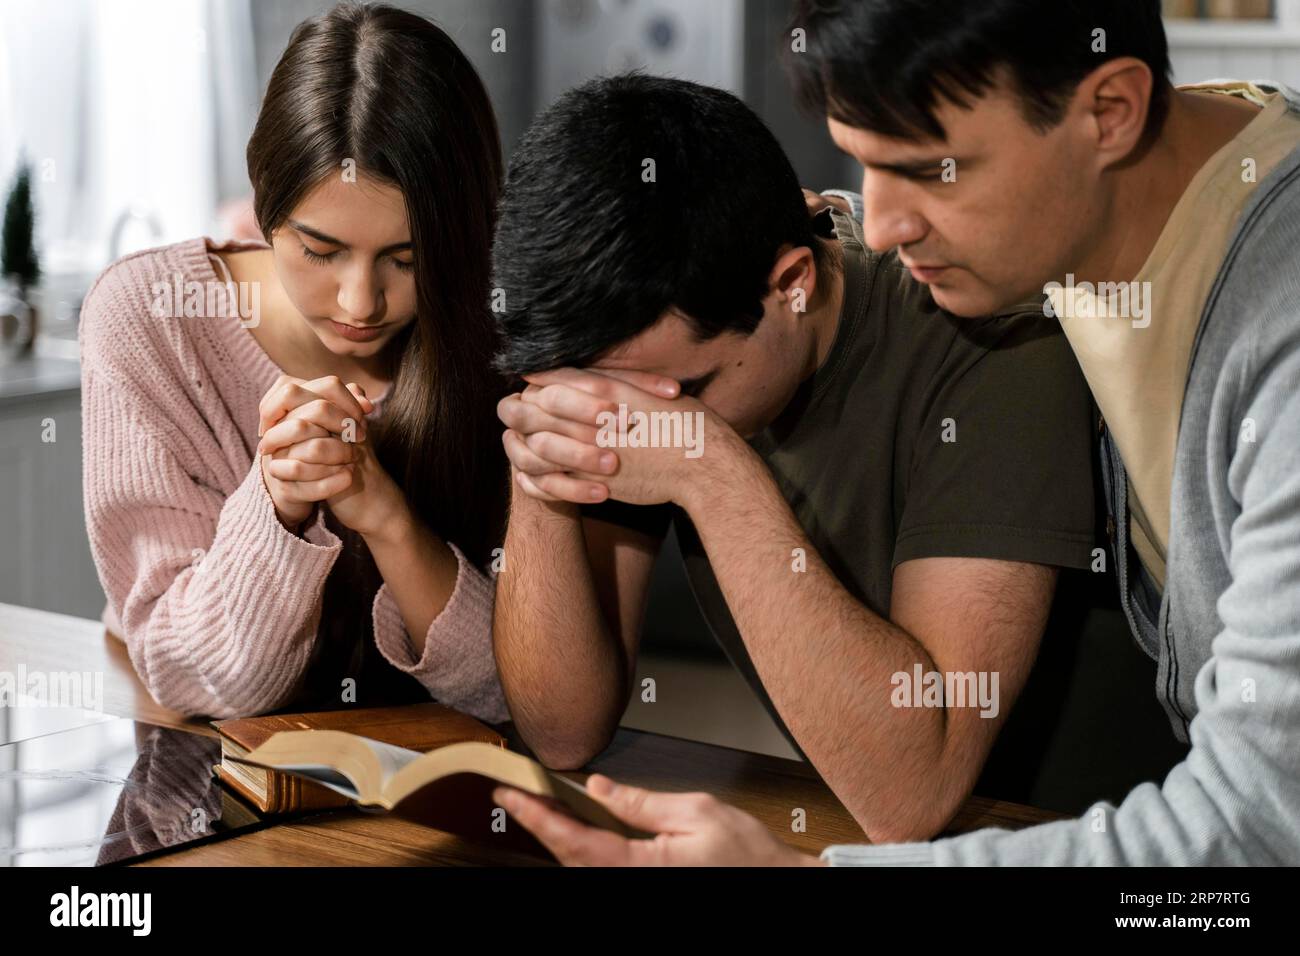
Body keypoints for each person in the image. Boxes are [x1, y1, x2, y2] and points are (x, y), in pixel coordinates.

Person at [497, 0, 1300, 865]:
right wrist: (551, 437)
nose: (877, 225)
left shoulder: (1258, 326)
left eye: (931, 171)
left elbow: (1247, 832)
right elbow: (561, 728)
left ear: (1111, 112)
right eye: (866, 164)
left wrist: (711, 474)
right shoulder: (1049, 236)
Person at [491, 72, 1098, 843]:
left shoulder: (991, 339)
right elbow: (562, 730)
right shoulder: (644, 357)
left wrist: (710, 473)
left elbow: (913, 794)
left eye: (680, 391)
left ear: (792, 284)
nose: (633, 424)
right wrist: (539, 457)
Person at [79, 3, 508, 722]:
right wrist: (273, 504)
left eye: (408, 260)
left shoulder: (495, 332)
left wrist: (393, 525)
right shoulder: (149, 317)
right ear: (262, 200)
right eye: (319, 250)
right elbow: (196, 682)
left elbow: (509, 694)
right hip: (216, 770)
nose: (360, 302)